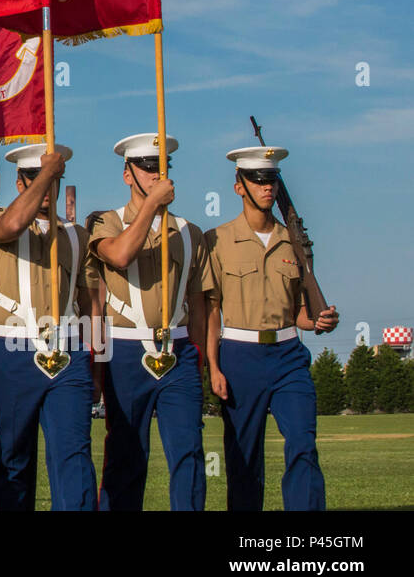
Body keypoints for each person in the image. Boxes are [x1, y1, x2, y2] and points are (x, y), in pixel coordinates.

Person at [206, 145, 339, 511]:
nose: (267, 187)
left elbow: (299, 312)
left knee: (303, 444)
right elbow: (212, 311)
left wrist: (320, 320)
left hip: (289, 356)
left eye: (272, 180)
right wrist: (214, 367)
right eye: (257, 179)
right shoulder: (216, 240)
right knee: (243, 459)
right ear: (239, 186)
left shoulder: (292, 241)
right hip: (239, 355)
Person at [89, 133, 214, 511]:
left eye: (162, 169)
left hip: (177, 349)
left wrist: (202, 359)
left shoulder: (189, 232)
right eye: (146, 169)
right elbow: (122, 255)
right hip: (125, 349)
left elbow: (199, 302)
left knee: (189, 451)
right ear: (128, 175)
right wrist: (152, 208)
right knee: (127, 453)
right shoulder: (105, 221)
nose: (155, 176)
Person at [0, 145, 97, 511]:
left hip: (67, 348)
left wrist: (95, 356)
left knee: (74, 455)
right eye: (33, 178)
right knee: (14, 457)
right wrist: (47, 172)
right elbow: (12, 226)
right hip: (13, 348)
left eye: (52, 179)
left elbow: (90, 303)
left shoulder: (77, 236)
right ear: (20, 182)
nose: (45, 188)